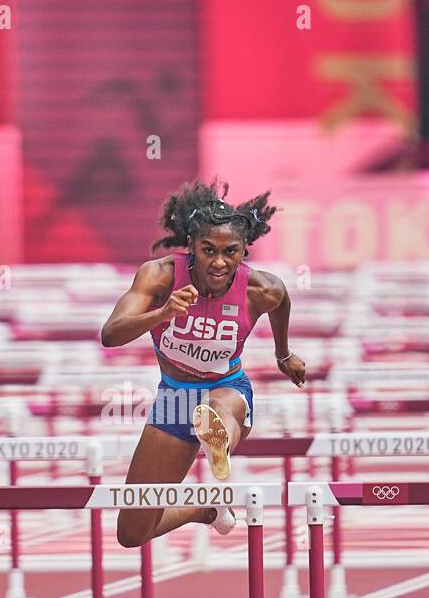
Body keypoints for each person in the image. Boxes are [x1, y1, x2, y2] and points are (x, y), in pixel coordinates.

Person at [100, 180, 305, 548]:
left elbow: (282, 301)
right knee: (131, 533)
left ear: (244, 251)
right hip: (175, 399)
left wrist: (283, 354)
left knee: (217, 408)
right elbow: (111, 334)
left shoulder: (261, 289)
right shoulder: (160, 276)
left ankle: (219, 438)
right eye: (208, 250)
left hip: (226, 388)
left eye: (231, 251)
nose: (219, 262)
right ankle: (206, 510)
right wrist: (162, 312)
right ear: (191, 245)